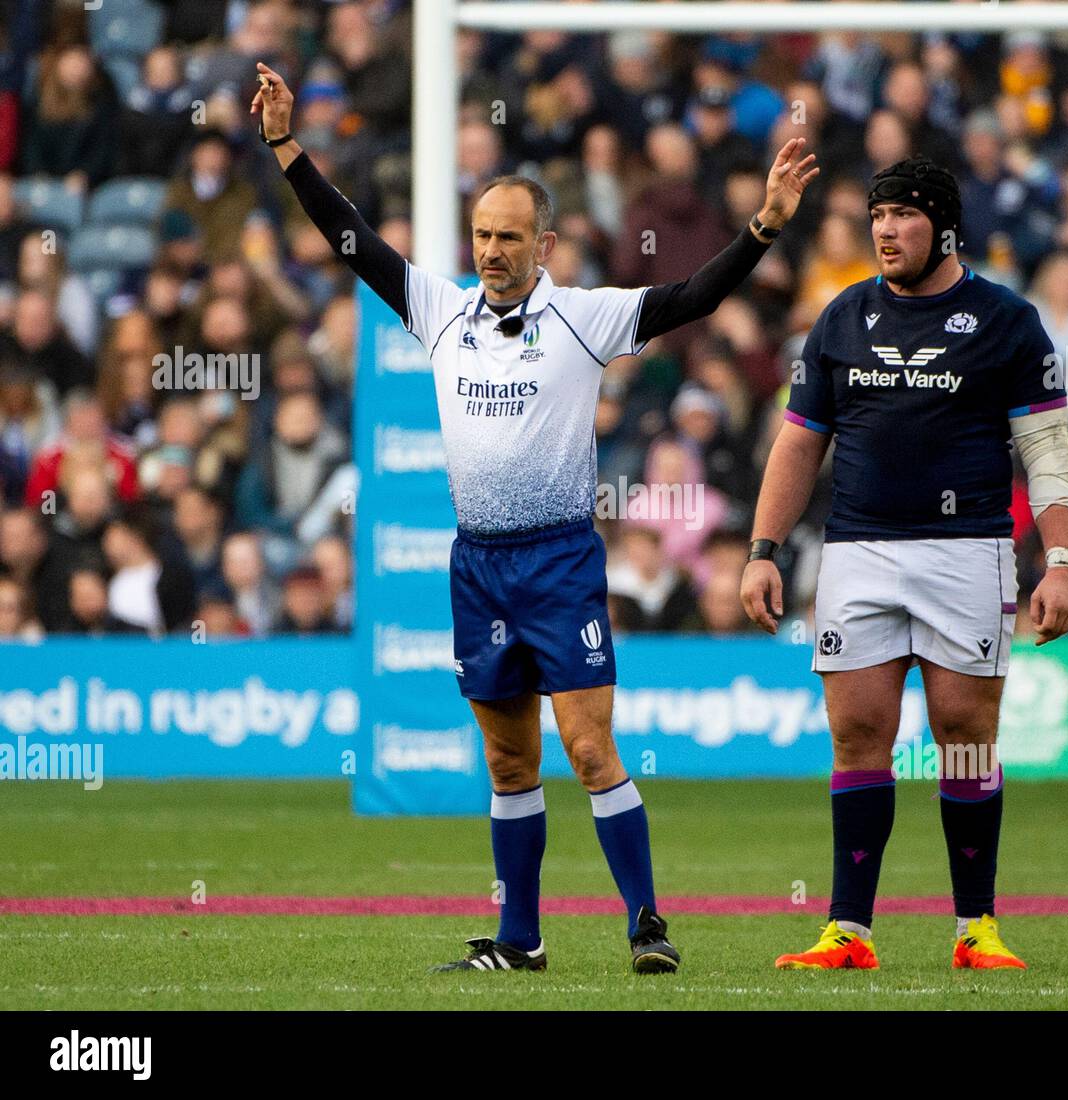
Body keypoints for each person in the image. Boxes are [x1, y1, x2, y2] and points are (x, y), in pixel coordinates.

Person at [252, 61, 819, 974]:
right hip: (478, 565)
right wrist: (286, 148)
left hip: (558, 562)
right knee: (510, 767)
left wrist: (761, 227)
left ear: (544, 245)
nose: (490, 251)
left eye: (509, 238)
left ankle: (647, 925)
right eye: (481, 235)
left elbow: (694, 298)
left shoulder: (586, 317)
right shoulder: (440, 310)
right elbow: (352, 240)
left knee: (590, 748)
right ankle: (521, 941)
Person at [741, 156, 1068, 973]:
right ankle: (848, 933)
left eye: (904, 215)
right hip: (855, 550)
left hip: (967, 553)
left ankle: (977, 928)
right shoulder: (843, 317)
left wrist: (1062, 560)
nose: (886, 230)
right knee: (858, 734)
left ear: (945, 227)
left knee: (965, 734)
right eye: (877, 215)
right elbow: (799, 443)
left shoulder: (1006, 319)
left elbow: (1045, 447)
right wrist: (762, 549)